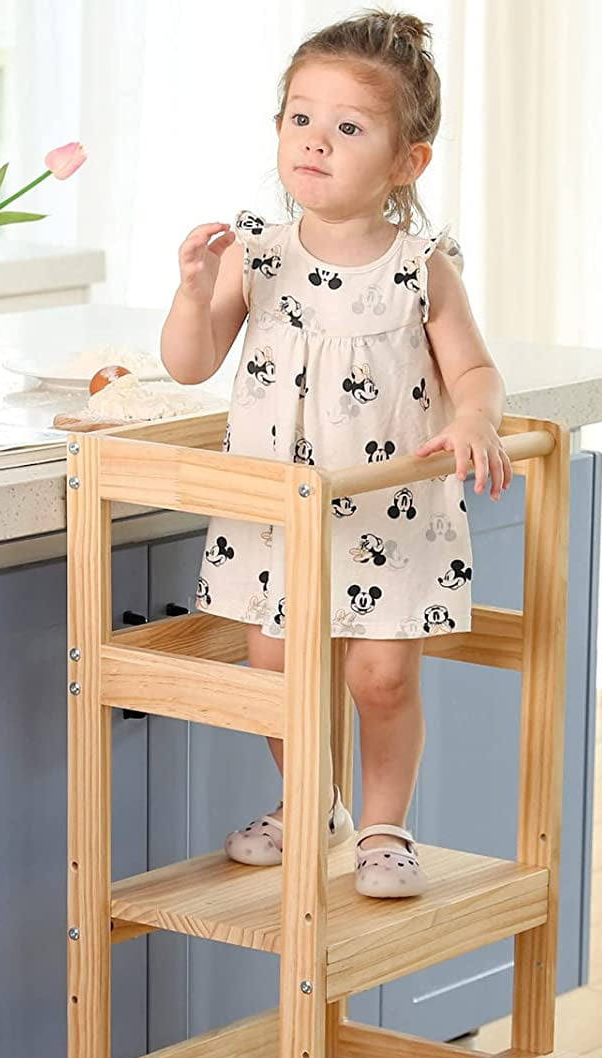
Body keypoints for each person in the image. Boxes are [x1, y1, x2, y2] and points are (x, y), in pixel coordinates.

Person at [160, 8, 510, 899]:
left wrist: (474, 420)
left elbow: (473, 370)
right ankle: (313, 802)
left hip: (386, 515)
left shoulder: (418, 266)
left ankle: (386, 824)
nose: (315, 141)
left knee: (381, 677)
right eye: (299, 118)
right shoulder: (257, 255)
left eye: (348, 127)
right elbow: (191, 364)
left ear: (406, 162)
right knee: (275, 678)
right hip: (277, 517)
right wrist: (195, 293)